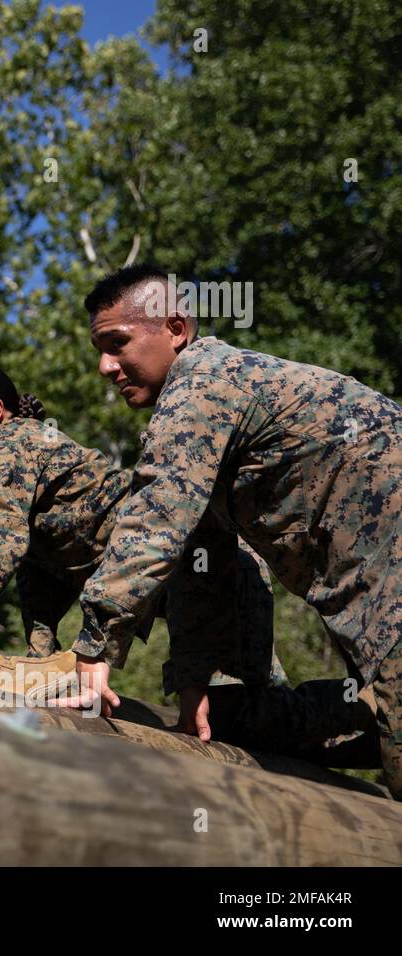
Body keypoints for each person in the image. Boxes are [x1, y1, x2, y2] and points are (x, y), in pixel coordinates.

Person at [73, 265, 400, 796]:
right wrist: (194, 681)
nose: (106, 366)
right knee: (244, 719)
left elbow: (155, 521)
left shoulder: (202, 384)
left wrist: (91, 649)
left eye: (117, 343)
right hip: (371, 609)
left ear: (175, 329)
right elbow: (203, 557)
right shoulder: (204, 404)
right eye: (99, 349)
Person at [0, 362, 286, 702]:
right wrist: (40, 656)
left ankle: (337, 724)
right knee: (249, 712)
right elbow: (39, 573)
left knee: (244, 714)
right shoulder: (17, 449)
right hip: (209, 567)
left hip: (204, 565)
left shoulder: (8, 448)